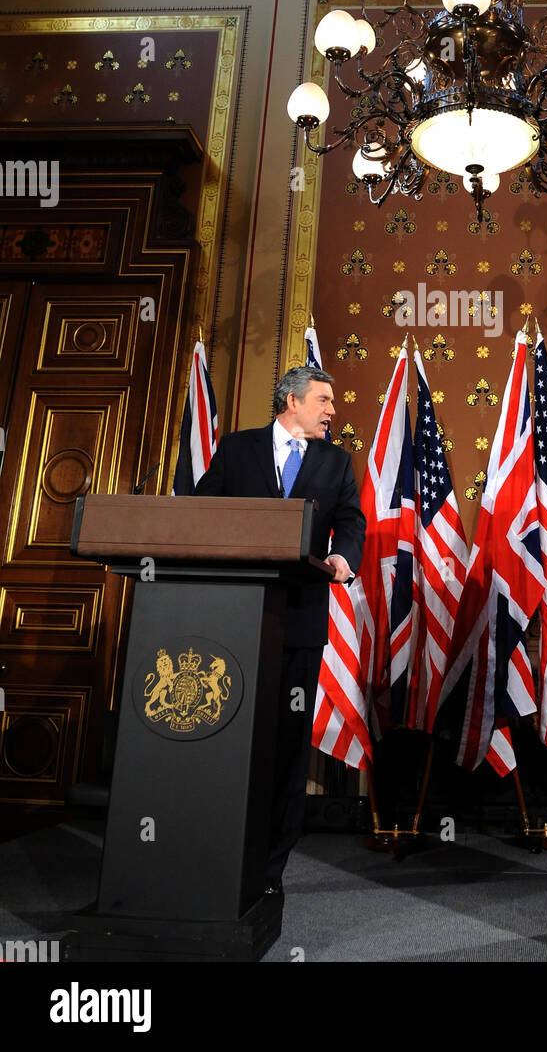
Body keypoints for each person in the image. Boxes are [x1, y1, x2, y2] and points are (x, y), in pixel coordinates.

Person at [195, 366, 365, 895]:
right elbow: (202, 513)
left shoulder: (336, 462)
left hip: (299, 625)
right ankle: (214, 854)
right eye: (324, 400)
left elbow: (352, 522)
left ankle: (270, 870)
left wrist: (343, 556)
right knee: (227, 737)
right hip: (234, 622)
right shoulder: (237, 449)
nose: (332, 410)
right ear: (291, 401)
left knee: (285, 746)